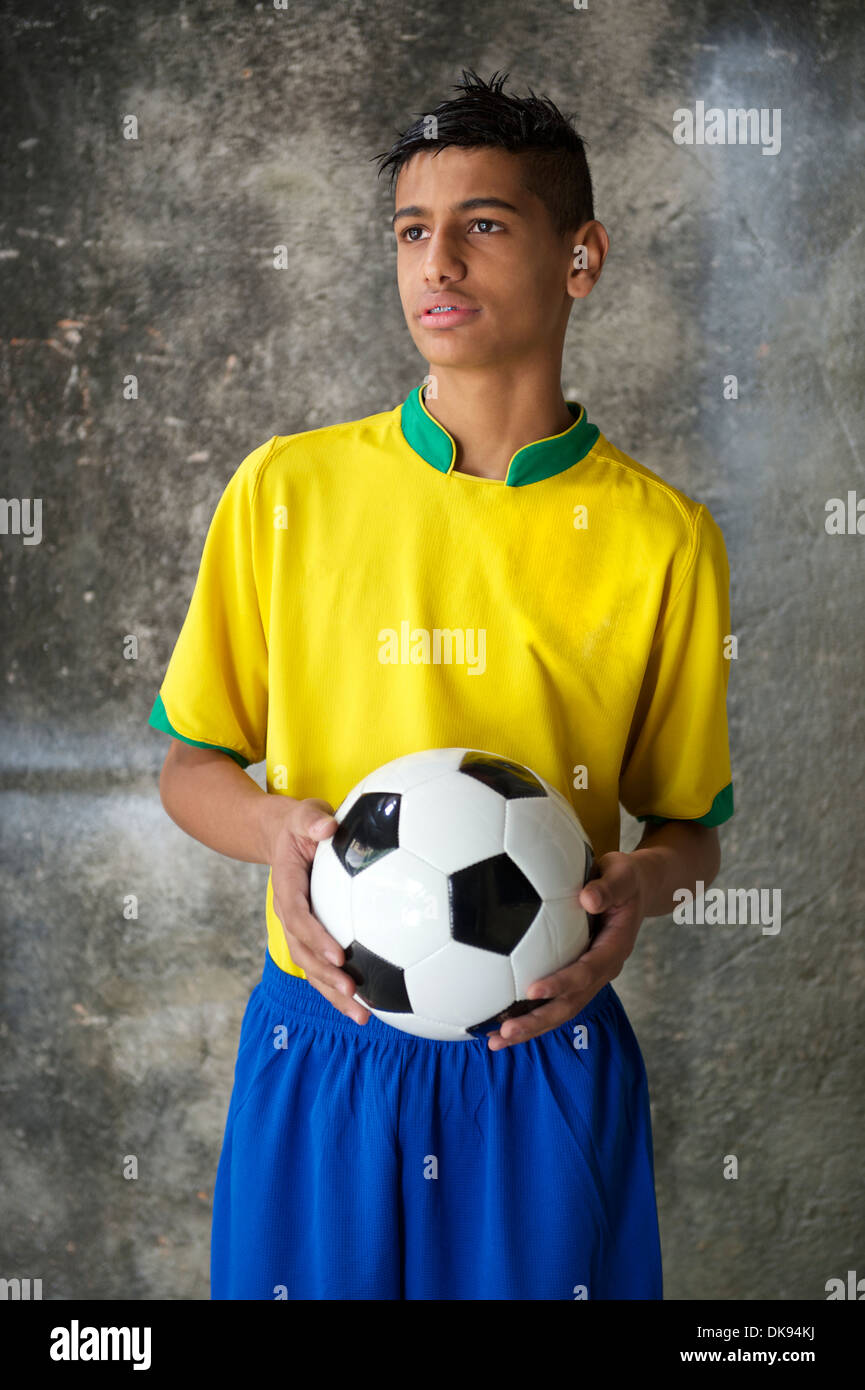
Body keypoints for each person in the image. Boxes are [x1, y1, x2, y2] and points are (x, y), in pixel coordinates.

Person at [149, 70, 734, 1300]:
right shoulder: (286, 492)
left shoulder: (662, 536)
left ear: (581, 257)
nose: (438, 266)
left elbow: (688, 831)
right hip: (328, 1046)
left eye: (482, 225)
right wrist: (277, 830)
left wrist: (639, 883)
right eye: (413, 232)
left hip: (540, 1053)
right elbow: (191, 765)